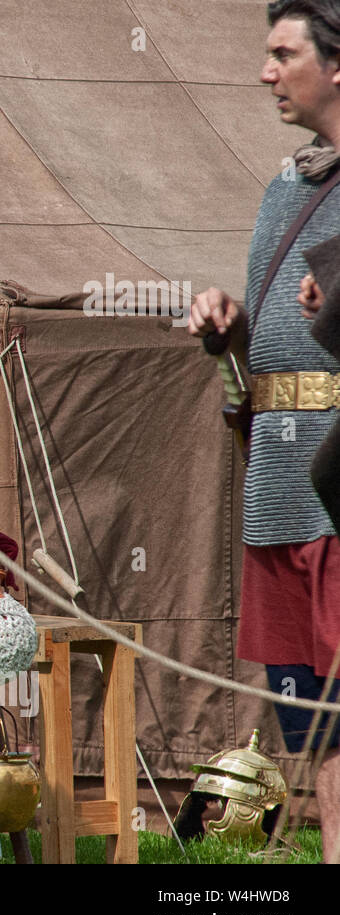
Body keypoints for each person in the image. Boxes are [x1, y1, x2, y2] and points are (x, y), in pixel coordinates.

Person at [187, 0, 340, 861]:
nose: (265, 71)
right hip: (281, 486)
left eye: (283, 53)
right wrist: (232, 328)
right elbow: (267, 361)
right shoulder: (287, 186)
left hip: (339, 486)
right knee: (312, 719)